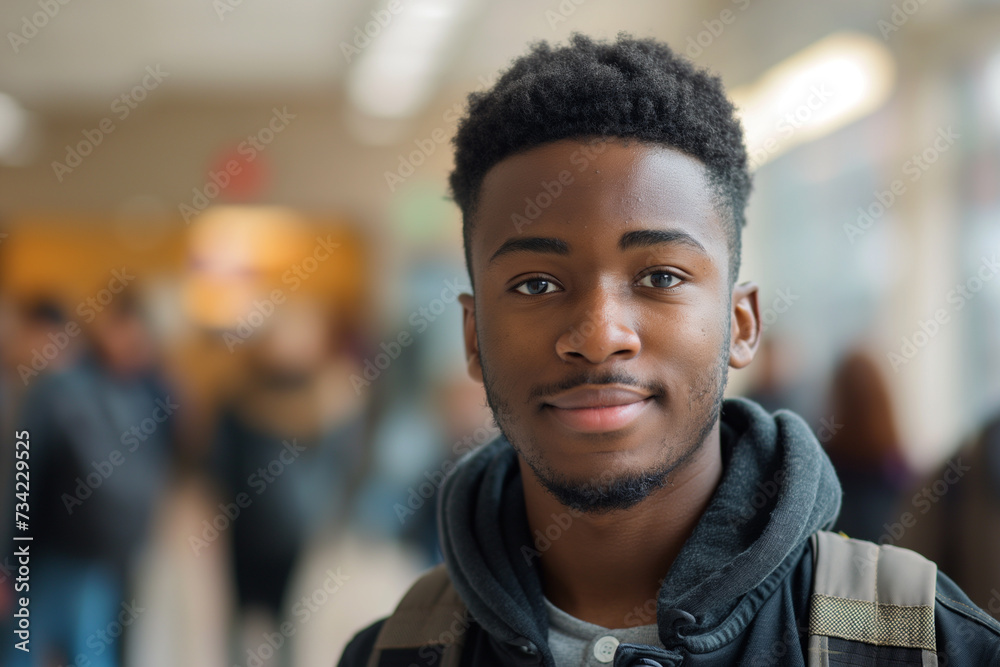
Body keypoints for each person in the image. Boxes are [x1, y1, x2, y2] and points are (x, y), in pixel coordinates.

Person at [339, 33, 1000, 666]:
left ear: (741, 324)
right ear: (473, 337)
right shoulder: (393, 652)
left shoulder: (918, 644)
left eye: (661, 276)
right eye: (536, 283)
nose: (599, 335)